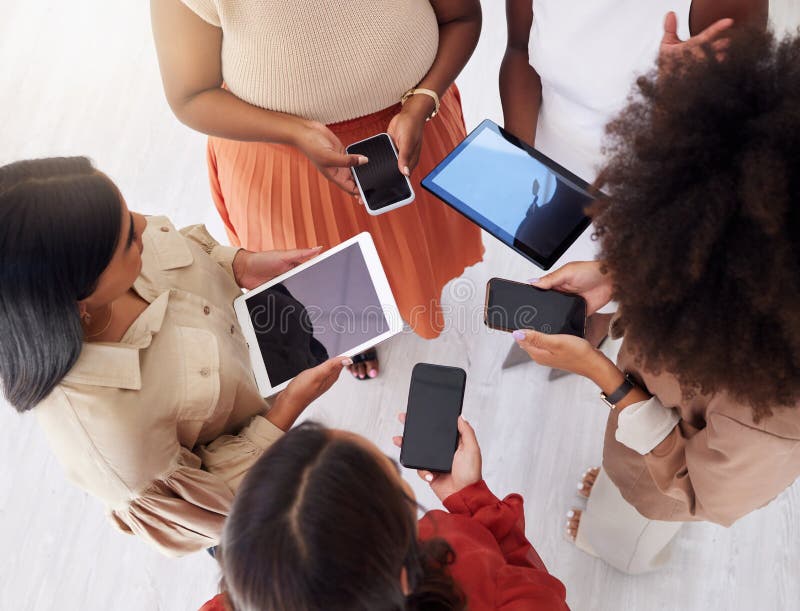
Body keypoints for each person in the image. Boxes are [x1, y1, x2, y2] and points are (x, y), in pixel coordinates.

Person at [512, 28, 800, 573]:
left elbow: (698, 495)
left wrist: (608, 380)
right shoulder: (735, 268)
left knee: (631, 526)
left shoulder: (772, 417)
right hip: (646, 430)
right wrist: (619, 277)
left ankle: (617, 548)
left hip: (668, 486)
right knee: (621, 483)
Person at [0, 157, 348, 556]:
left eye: (129, 213)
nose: (144, 225)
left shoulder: (94, 238)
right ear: (78, 293)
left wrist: (237, 263)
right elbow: (218, 507)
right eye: (128, 237)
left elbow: (179, 250)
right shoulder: (110, 438)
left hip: (270, 333)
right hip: (268, 494)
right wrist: (288, 408)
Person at [150, 0, 487, 380]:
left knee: (418, 250)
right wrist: (294, 132)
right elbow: (190, 95)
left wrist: (424, 99)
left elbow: (461, 17)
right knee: (323, 285)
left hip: (414, 129)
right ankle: (353, 339)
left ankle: (389, 313)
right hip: (280, 157)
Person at [200, 419, 569, 611]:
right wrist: (472, 499)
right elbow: (525, 573)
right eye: (393, 473)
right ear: (405, 579)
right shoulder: (462, 552)